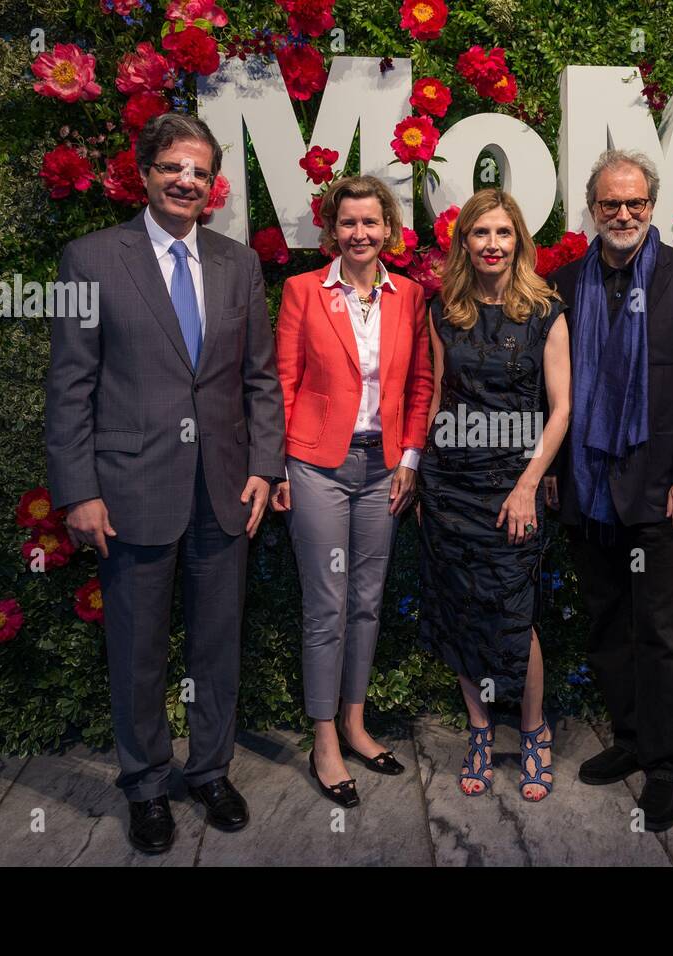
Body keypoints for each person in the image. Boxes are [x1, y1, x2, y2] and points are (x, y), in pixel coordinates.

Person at [45, 113, 286, 854]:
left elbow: (261, 380)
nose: (187, 181)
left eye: (201, 172)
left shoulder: (238, 263)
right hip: (128, 492)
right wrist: (78, 490)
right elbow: (68, 386)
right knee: (137, 650)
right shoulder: (87, 260)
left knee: (218, 643)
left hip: (223, 490)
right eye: (174, 167)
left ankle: (210, 771)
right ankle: (146, 785)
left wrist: (263, 467)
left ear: (213, 187)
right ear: (144, 173)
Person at [548, 149, 673, 831]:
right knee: (606, 624)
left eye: (636, 203)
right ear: (590, 209)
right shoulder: (564, 283)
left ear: (654, 206)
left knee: (661, 630)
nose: (623, 214)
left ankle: (665, 762)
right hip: (589, 490)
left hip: (663, 491)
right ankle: (628, 737)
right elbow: (550, 391)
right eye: (609, 204)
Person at [274, 175, 434, 808]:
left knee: (368, 601)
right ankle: (323, 739)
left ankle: (356, 722)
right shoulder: (302, 292)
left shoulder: (411, 297)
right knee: (327, 604)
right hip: (316, 466)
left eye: (371, 223)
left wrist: (412, 460)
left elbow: (421, 385)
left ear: (389, 230)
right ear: (331, 231)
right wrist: (278, 467)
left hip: (384, 469)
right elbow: (282, 381)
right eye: (348, 224)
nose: (360, 234)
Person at [417, 188, 571, 801]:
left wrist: (529, 484)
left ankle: (533, 733)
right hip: (449, 481)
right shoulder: (443, 309)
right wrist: (426, 473)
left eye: (503, 233)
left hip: (514, 483)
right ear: (464, 244)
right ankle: (480, 731)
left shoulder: (546, 311)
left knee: (515, 613)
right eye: (480, 234)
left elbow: (560, 411)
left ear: (519, 242)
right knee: (458, 610)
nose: (492, 245)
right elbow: (435, 398)